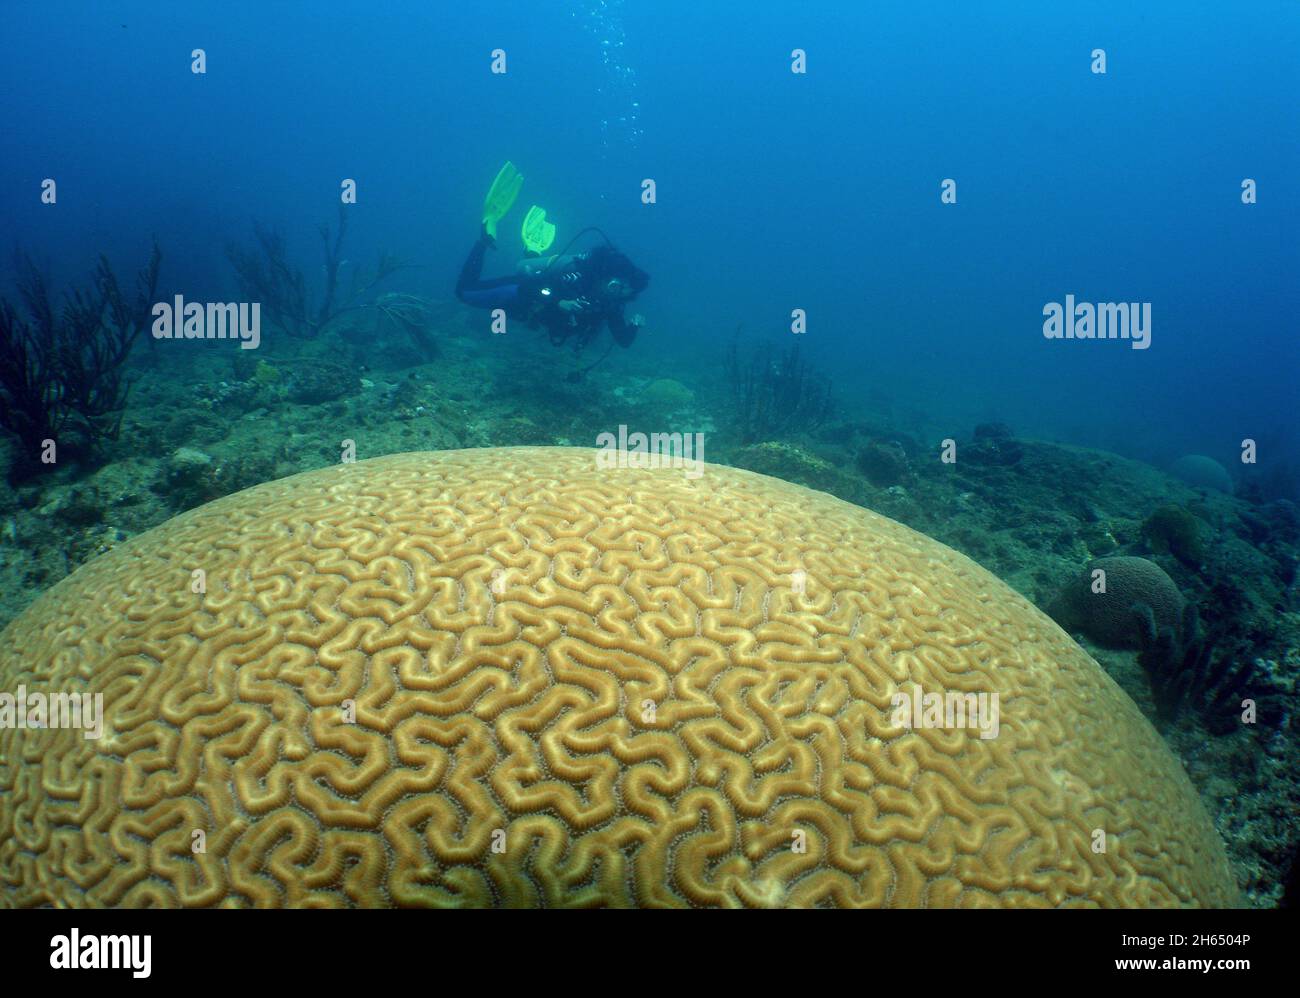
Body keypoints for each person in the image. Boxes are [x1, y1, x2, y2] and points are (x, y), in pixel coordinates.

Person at [455, 162, 649, 350]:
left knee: (533, 279)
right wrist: (558, 301)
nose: (619, 292)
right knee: (463, 292)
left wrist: (634, 325)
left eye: (626, 291)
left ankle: (533, 254)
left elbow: (623, 341)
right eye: (617, 285)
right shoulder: (578, 275)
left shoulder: (611, 305)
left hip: (532, 315)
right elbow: (527, 283)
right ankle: (485, 238)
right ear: (607, 277)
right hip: (520, 296)